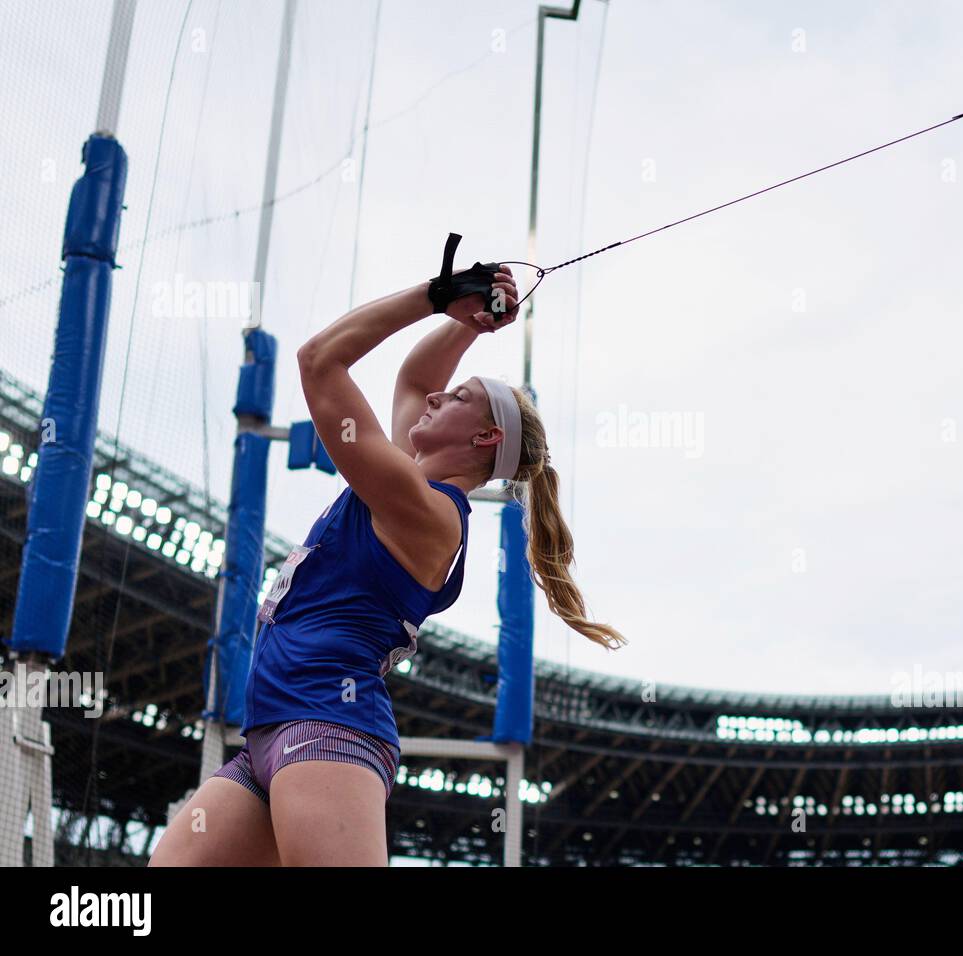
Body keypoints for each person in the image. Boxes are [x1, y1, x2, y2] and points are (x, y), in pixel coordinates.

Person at [149, 261, 626, 866]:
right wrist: (470, 323)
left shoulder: (424, 510)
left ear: (484, 440)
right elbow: (416, 376)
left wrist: (435, 296)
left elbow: (320, 360)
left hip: (330, 727)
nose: (435, 395)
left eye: (459, 398)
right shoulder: (409, 483)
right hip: (273, 730)